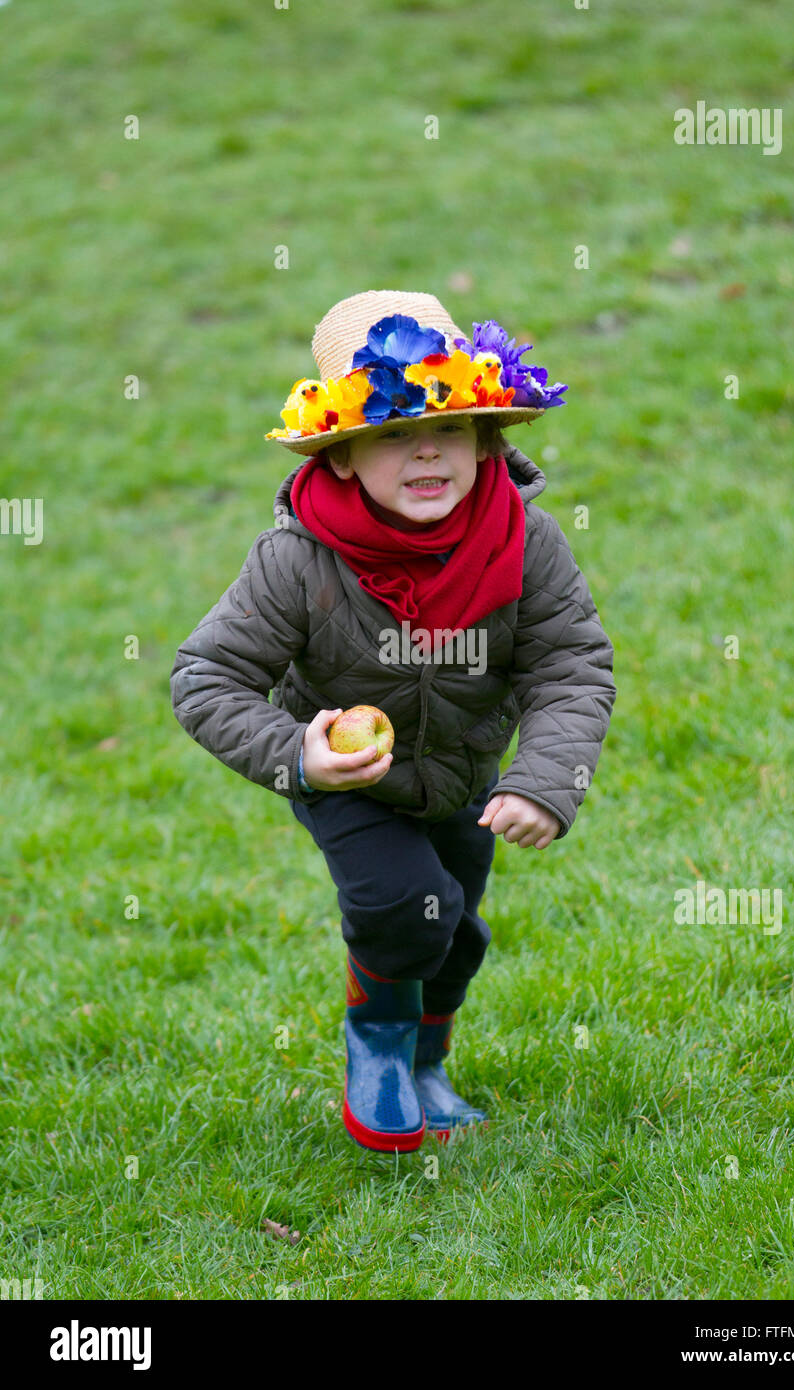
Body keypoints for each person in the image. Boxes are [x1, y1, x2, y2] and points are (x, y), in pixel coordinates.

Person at [170, 289, 616, 1152]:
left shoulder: (526, 540)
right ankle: (375, 1044)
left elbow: (569, 664)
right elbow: (206, 677)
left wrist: (545, 782)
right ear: (341, 455)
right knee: (407, 907)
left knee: (457, 931)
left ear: (485, 439)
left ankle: (426, 1060)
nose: (424, 450)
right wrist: (298, 754)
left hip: (463, 774)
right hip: (348, 781)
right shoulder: (297, 558)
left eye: (447, 429)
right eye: (390, 433)